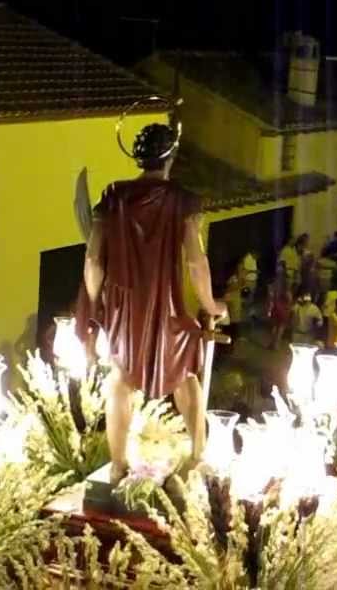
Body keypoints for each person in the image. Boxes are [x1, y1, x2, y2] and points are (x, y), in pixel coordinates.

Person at [83, 123, 227, 483]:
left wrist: (95, 303)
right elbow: (195, 260)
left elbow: (93, 260)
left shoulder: (114, 195)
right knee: (186, 374)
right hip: (166, 305)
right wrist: (211, 305)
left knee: (119, 379)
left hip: (122, 306)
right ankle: (196, 456)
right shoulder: (182, 200)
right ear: (171, 157)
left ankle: (117, 465)